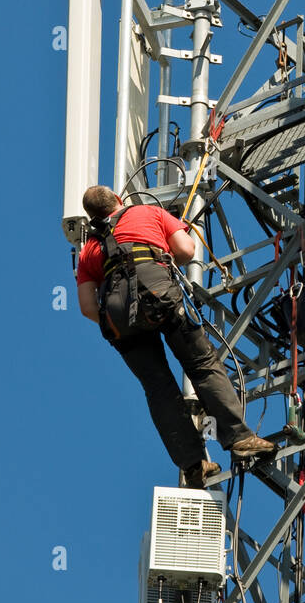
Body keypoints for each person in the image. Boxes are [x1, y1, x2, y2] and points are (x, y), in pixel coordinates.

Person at [76, 185, 273, 486]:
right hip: (159, 295)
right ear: (118, 200)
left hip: (118, 320)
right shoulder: (147, 212)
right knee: (202, 365)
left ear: (92, 217)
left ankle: (193, 465)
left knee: (158, 389)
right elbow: (186, 250)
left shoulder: (89, 249)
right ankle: (239, 438)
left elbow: (88, 307)